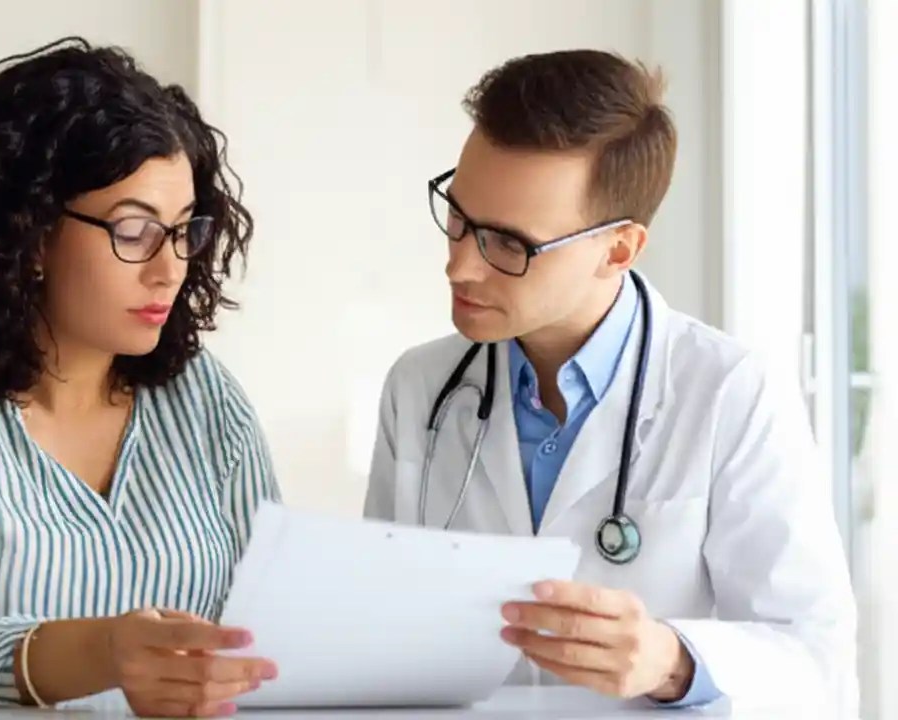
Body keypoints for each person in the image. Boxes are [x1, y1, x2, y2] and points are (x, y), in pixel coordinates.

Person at [364, 50, 857, 713]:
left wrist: (671, 661)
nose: (459, 266)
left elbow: (817, 662)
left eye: (507, 244)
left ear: (619, 249)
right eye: (458, 218)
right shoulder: (420, 388)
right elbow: (377, 630)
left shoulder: (730, 392)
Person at [0, 37, 280, 717]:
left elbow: (275, 614)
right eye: (134, 231)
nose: (170, 268)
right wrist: (103, 656)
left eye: (186, 230)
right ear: (30, 234)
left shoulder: (204, 396)